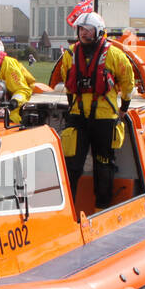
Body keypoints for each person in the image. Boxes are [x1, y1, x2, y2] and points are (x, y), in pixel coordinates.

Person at [54, 11, 135, 211]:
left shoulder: (115, 55)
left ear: (98, 32)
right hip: (77, 118)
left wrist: (123, 108)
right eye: (81, 29)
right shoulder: (70, 55)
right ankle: (69, 210)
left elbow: (128, 83)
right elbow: (67, 81)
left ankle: (102, 208)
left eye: (88, 29)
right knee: (71, 166)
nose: (83, 33)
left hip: (105, 118)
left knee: (104, 166)